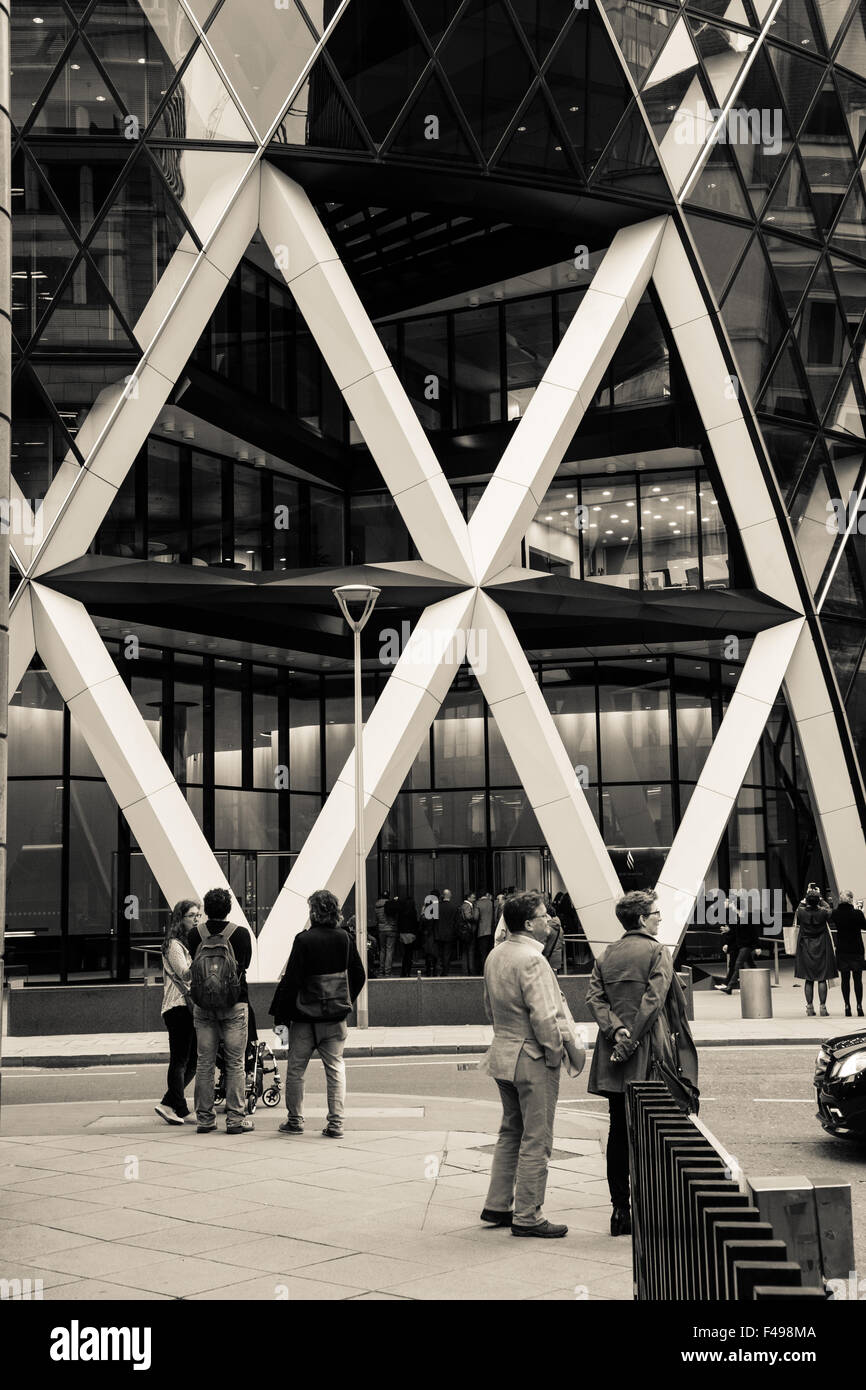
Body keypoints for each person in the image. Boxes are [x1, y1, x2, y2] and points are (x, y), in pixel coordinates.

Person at [586, 889, 698, 1237]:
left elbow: (594, 998)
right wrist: (633, 1038)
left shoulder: (606, 955)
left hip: (614, 1056)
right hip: (649, 1052)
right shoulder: (656, 951)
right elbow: (654, 1000)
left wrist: (616, 1031)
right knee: (654, 1131)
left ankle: (620, 1210)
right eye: (655, 913)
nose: (660, 917)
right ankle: (653, 1209)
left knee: (618, 1130)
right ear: (641, 919)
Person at [479, 891, 583, 1237]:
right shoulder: (533, 961)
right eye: (543, 916)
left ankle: (497, 1205)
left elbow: (489, 1009)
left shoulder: (495, 956)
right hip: (532, 1057)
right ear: (528, 923)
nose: (548, 921)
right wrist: (555, 1053)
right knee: (537, 1138)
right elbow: (545, 1016)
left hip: (503, 1054)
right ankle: (528, 1215)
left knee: (511, 1131)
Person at [270, 889, 366, 1138]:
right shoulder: (345, 938)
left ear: (313, 912)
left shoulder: (303, 940)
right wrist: (345, 999)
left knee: (296, 1070)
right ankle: (336, 1123)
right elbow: (359, 974)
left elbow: (291, 982)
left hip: (304, 1019)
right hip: (335, 1018)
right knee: (335, 1069)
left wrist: (281, 1019)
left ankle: (295, 1120)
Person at [188, 887, 253, 1135]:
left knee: (204, 1063)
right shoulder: (241, 934)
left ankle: (205, 1119)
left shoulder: (195, 935)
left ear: (206, 909)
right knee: (235, 1063)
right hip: (235, 1004)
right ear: (228, 909)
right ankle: (236, 1120)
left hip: (203, 1006)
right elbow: (244, 965)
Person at [154, 899, 201, 1126]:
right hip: (177, 1007)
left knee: (192, 1059)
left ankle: (168, 1102)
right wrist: (203, 959)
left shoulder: (184, 943)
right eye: (192, 915)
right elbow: (184, 973)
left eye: (198, 915)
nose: (196, 919)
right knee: (180, 1060)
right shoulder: (174, 944)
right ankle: (180, 1109)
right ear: (180, 918)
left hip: (186, 1007)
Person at [795, 885, 837, 1016]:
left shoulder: (801, 912)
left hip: (806, 946)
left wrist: (807, 895)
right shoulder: (823, 913)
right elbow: (829, 909)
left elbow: (799, 907)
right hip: (821, 945)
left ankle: (809, 1007)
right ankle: (823, 1007)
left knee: (809, 979)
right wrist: (820, 897)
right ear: (817, 901)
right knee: (822, 978)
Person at [713, 900, 763, 993]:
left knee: (738, 965)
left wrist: (757, 946)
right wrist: (728, 931)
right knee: (751, 965)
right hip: (741, 945)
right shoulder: (738, 918)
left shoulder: (746, 917)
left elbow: (754, 932)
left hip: (747, 945)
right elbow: (735, 931)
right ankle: (761, 982)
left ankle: (729, 987)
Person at [831, 891, 866, 1017]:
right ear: (851, 899)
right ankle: (859, 1005)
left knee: (845, 980)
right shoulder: (857, 913)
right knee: (857, 980)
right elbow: (865, 926)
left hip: (842, 949)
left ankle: (847, 1006)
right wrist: (860, 910)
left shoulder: (836, 913)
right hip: (856, 949)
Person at [435, 888, 460, 977]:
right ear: (449, 896)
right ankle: (445, 971)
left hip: (438, 934)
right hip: (449, 934)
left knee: (439, 953)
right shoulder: (454, 907)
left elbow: (433, 921)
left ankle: (439, 969)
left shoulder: (437, 906)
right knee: (447, 954)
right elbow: (456, 923)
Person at [397, 893, 419, 977]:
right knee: (409, 954)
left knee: (405, 954)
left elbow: (399, 923)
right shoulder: (413, 912)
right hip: (411, 934)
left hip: (403, 934)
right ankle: (408, 971)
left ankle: (403, 971)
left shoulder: (401, 912)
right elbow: (415, 924)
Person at [475, 891, 495, 973]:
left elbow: (476, 917)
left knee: (482, 952)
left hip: (482, 931)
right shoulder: (491, 902)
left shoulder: (478, 903)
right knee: (490, 951)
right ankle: (490, 970)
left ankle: (483, 971)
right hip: (491, 930)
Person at [380, 894, 399, 977]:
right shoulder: (390, 904)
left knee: (382, 950)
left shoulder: (377, 905)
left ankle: (381, 970)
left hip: (381, 930)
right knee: (389, 950)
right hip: (391, 929)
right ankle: (387, 971)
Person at [421, 891, 439, 976]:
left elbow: (423, 920)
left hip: (427, 933)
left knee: (428, 952)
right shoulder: (436, 907)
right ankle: (434, 970)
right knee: (433, 952)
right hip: (433, 933)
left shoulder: (427, 907)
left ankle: (428, 970)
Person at [459, 892, 478, 974]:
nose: (474, 899)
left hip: (464, 931)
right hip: (468, 931)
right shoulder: (467, 905)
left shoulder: (464, 905)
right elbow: (468, 917)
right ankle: (470, 970)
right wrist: (475, 915)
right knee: (470, 951)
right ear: (468, 898)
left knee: (465, 951)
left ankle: (465, 970)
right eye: (473, 897)